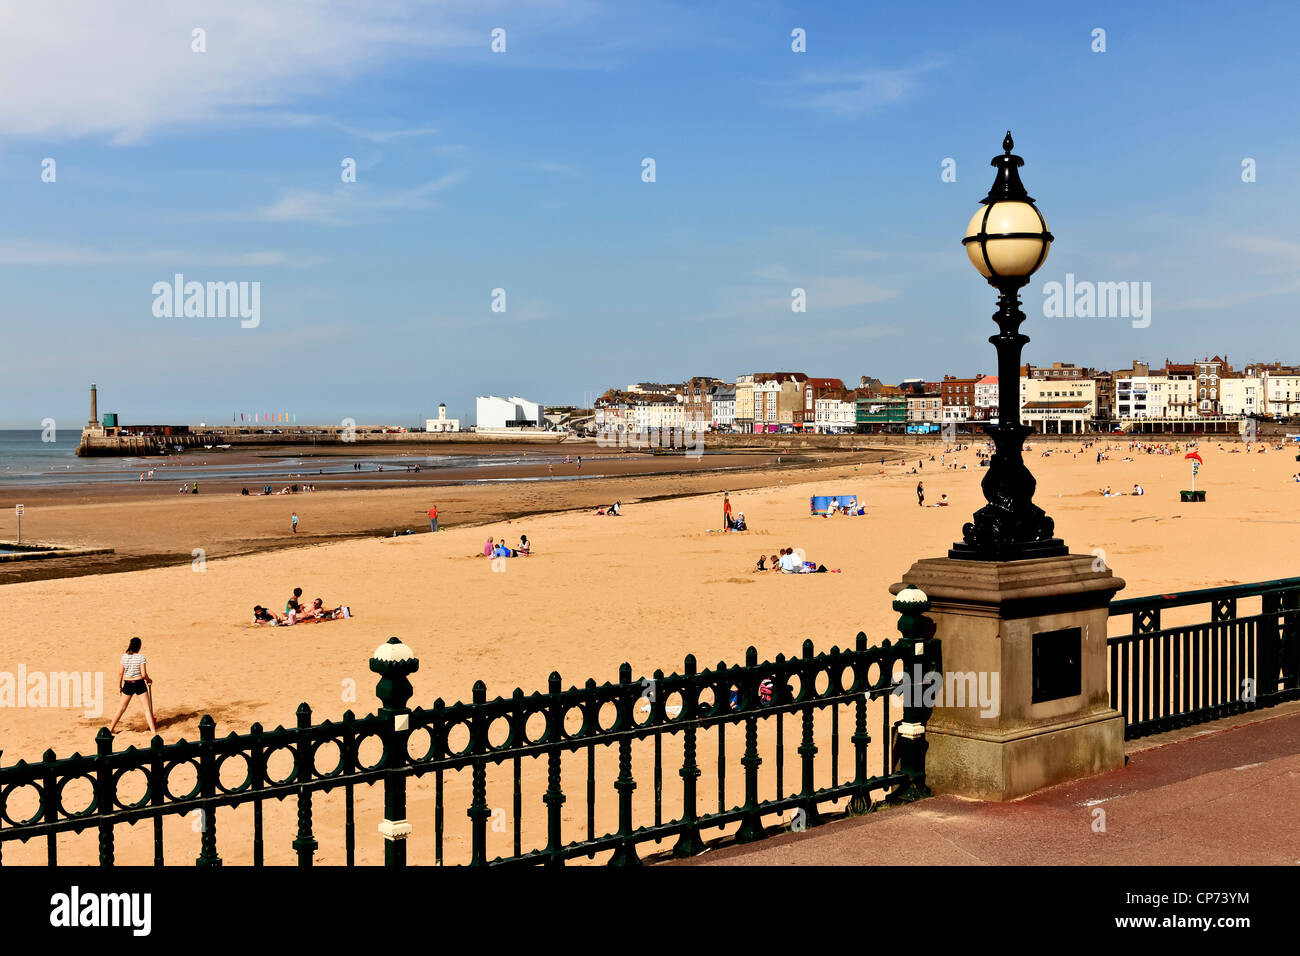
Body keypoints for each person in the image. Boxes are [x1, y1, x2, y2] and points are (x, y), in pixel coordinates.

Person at [107, 637, 157, 735]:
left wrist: (119, 686)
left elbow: (120, 673)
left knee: (121, 708)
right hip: (139, 684)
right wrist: (148, 680)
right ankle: (153, 731)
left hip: (128, 684)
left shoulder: (124, 657)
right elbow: (143, 674)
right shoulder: (141, 657)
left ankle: (110, 729)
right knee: (147, 708)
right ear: (139, 646)